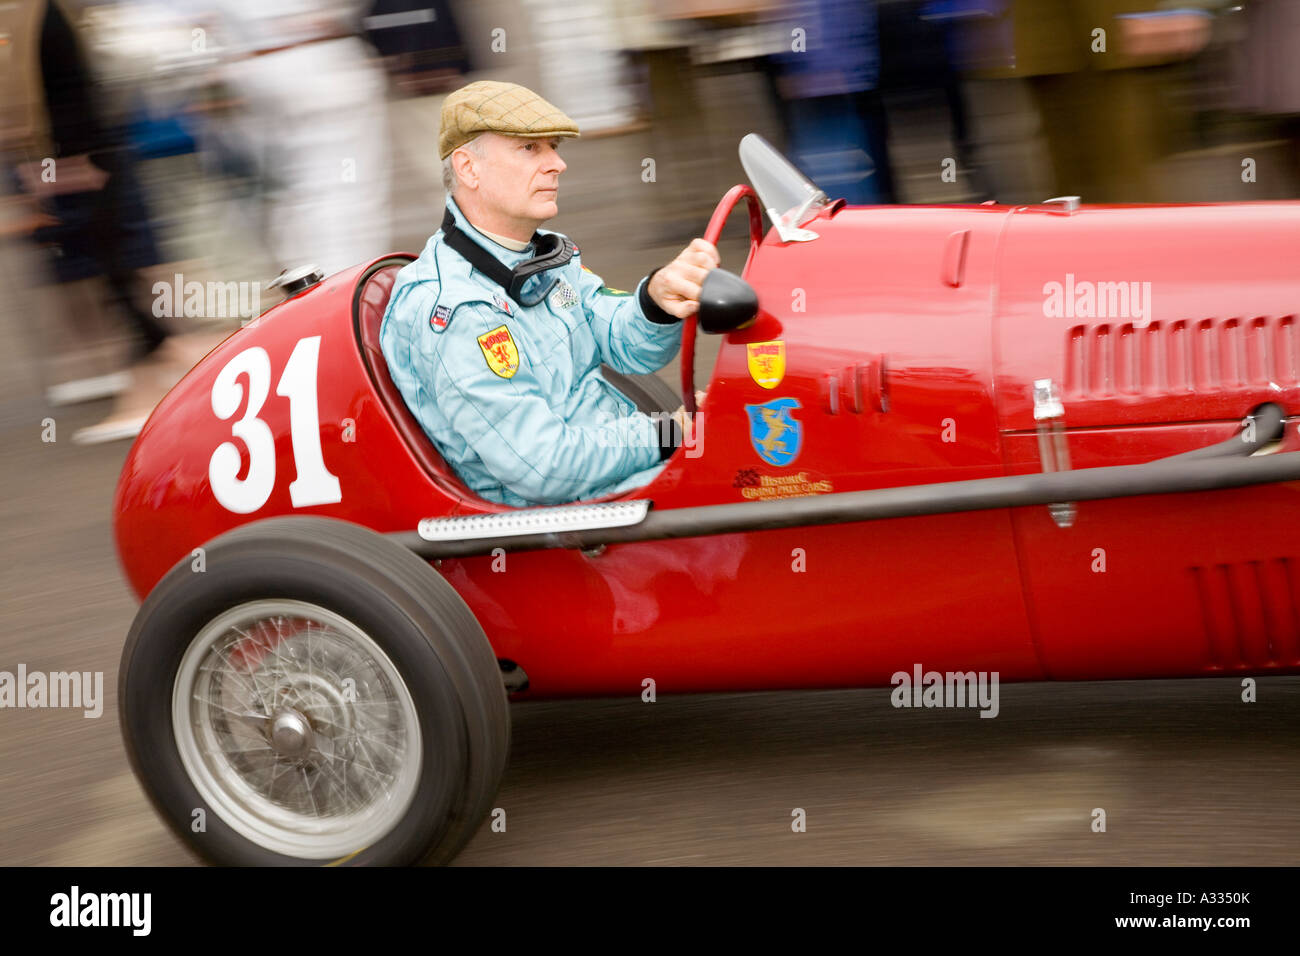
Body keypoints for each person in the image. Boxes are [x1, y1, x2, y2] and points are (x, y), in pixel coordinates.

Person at [380, 80, 717, 507]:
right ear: (468, 168)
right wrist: (671, 432)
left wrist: (657, 299)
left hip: (620, 480)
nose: (557, 164)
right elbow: (543, 466)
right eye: (529, 149)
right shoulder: (459, 310)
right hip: (567, 525)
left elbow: (625, 345)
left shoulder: (541, 254)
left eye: (553, 147)